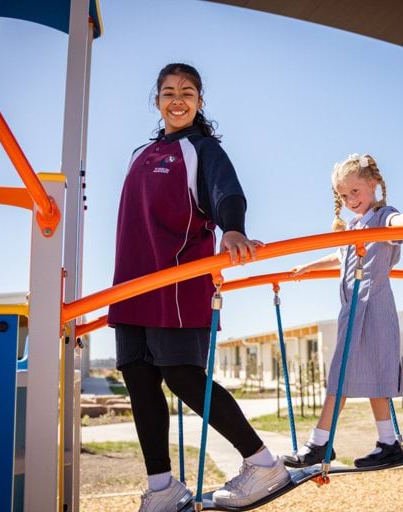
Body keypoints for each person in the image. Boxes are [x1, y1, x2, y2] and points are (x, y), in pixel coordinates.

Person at [108, 63, 290, 512]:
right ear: (156, 101)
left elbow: (227, 191)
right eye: (168, 92)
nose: (177, 99)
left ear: (199, 102)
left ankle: (263, 463)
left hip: (177, 282)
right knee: (138, 379)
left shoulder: (202, 148)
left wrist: (232, 229)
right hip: (131, 284)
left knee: (183, 376)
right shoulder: (139, 153)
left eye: (187, 92)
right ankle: (163, 486)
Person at [282, 153, 403, 469]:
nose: (350, 200)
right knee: (367, 374)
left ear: (373, 185)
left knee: (340, 376)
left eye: (355, 192)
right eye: (344, 196)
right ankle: (388, 443)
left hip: (373, 307)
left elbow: (395, 221)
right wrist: (310, 265)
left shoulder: (381, 216)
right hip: (353, 309)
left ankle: (319, 443)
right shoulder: (353, 226)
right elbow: (340, 255)